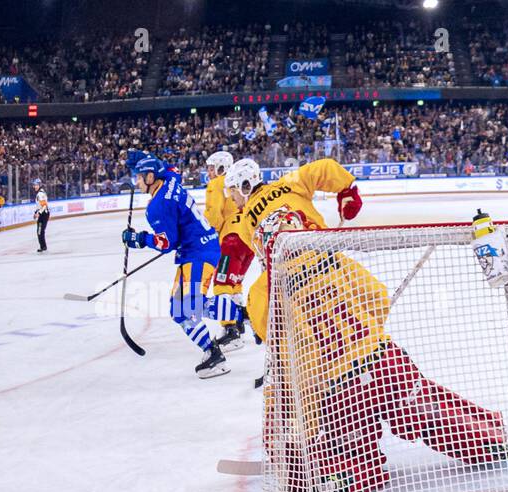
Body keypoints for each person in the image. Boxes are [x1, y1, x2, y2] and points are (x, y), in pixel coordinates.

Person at [247, 209, 508, 492]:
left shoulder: (265, 290)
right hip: (388, 361)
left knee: (346, 449)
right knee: (430, 411)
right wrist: (366, 333)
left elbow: (292, 362)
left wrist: (307, 421)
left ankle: (346, 479)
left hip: (342, 392)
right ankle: (490, 440)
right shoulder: (331, 257)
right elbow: (377, 296)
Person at [209, 155, 363, 358]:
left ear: (244, 185)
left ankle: (285, 361)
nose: (231, 198)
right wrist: (347, 189)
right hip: (329, 263)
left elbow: (263, 259)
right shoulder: (287, 183)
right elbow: (324, 167)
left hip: (297, 281)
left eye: (232, 191)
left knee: (261, 304)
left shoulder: (247, 221)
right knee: (368, 302)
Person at [122, 154, 227, 378]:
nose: (137, 182)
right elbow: (170, 168)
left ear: (151, 177)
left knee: (190, 305)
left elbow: (167, 243)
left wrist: (139, 239)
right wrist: (139, 159)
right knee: (179, 310)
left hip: (199, 253)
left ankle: (240, 316)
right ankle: (213, 351)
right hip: (194, 251)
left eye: (139, 177)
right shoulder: (170, 180)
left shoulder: (158, 206)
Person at [202, 150, 245, 351]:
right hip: (246, 239)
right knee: (234, 282)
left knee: (221, 284)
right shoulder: (237, 181)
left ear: (221, 168)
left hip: (230, 240)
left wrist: (207, 235)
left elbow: (213, 217)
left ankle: (230, 331)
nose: (209, 173)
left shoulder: (216, 184)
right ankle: (239, 322)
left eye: (212, 168)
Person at [32, 178, 49, 253]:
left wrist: (38, 213)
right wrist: (36, 212)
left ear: (39, 185)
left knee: (40, 231)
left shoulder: (40, 194)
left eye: (36, 185)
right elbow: (40, 205)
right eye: (34, 185)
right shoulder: (41, 193)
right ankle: (43, 246)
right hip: (43, 213)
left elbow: (44, 205)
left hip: (43, 214)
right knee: (40, 231)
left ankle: (43, 247)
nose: (34, 186)